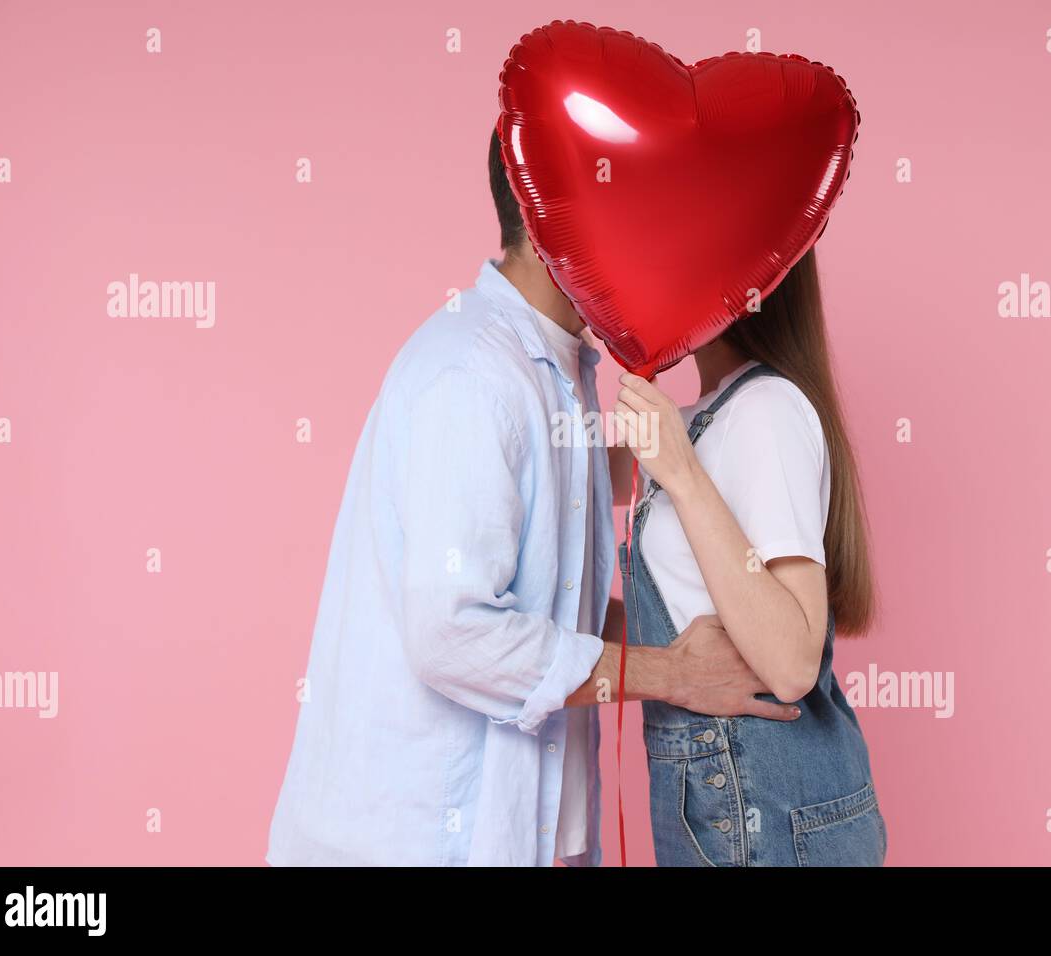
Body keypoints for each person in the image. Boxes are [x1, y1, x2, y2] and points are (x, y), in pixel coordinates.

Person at [264, 129, 799, 867]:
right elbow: (457, 633)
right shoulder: (475, 375)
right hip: (409, 843)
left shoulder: (555, 367)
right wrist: (672, 673)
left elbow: (548, 597)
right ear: (550, 211)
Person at [613, 246, 887, 866]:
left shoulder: (766, 412)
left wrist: (680, 473)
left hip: (760, 809)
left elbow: (792, 664)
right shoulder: (707, 417)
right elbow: (569, 479)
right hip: (723, 805)